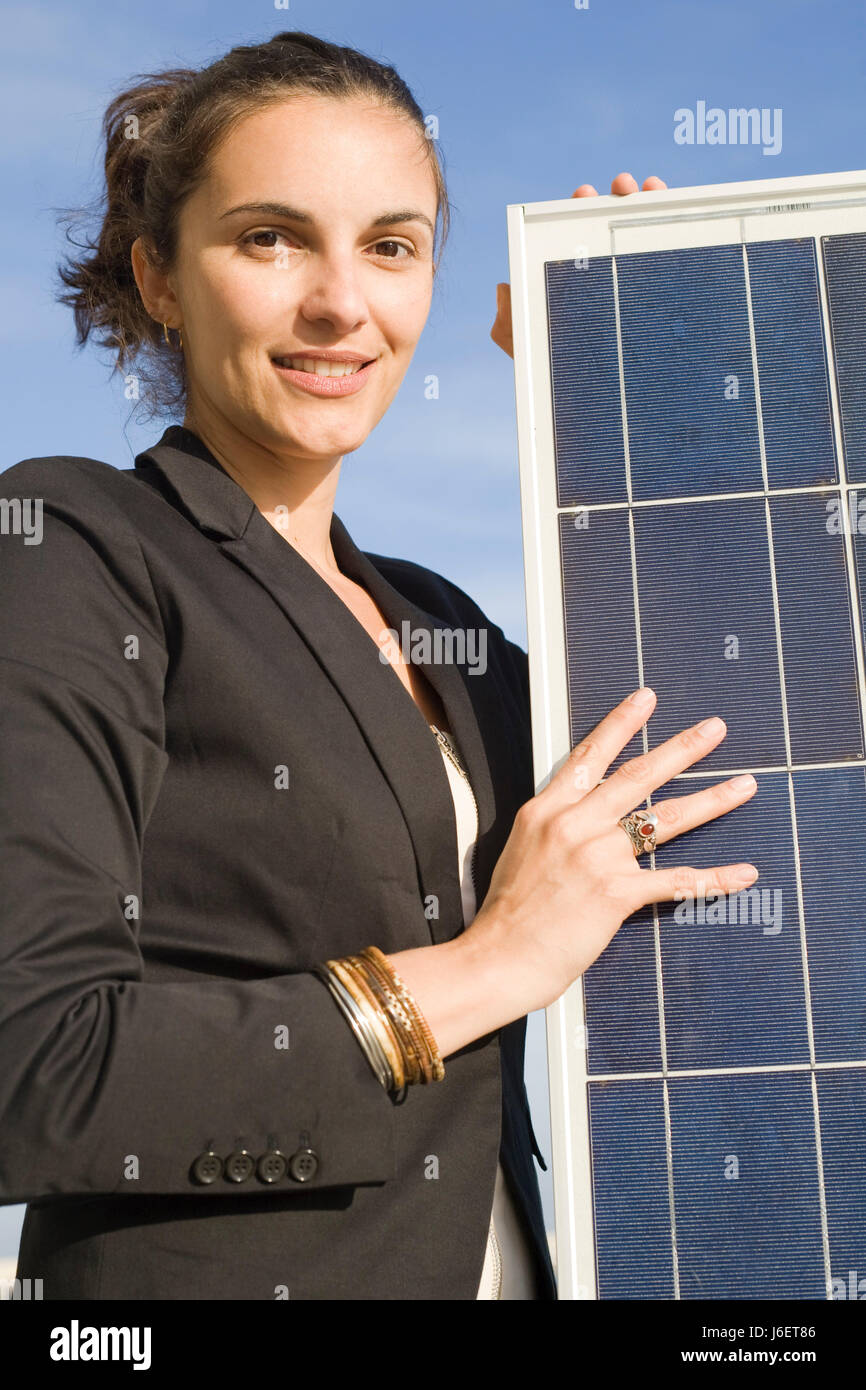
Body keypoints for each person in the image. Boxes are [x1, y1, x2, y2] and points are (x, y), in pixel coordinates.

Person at [0, 30, 759, 1300]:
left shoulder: (443, 624)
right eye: (269, 237)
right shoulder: (74, 545)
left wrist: (632, 399)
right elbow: (33, 1059)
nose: (340, 303)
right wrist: (484, 969)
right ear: (161, 277)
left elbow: (719, 754)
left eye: (389, 246)